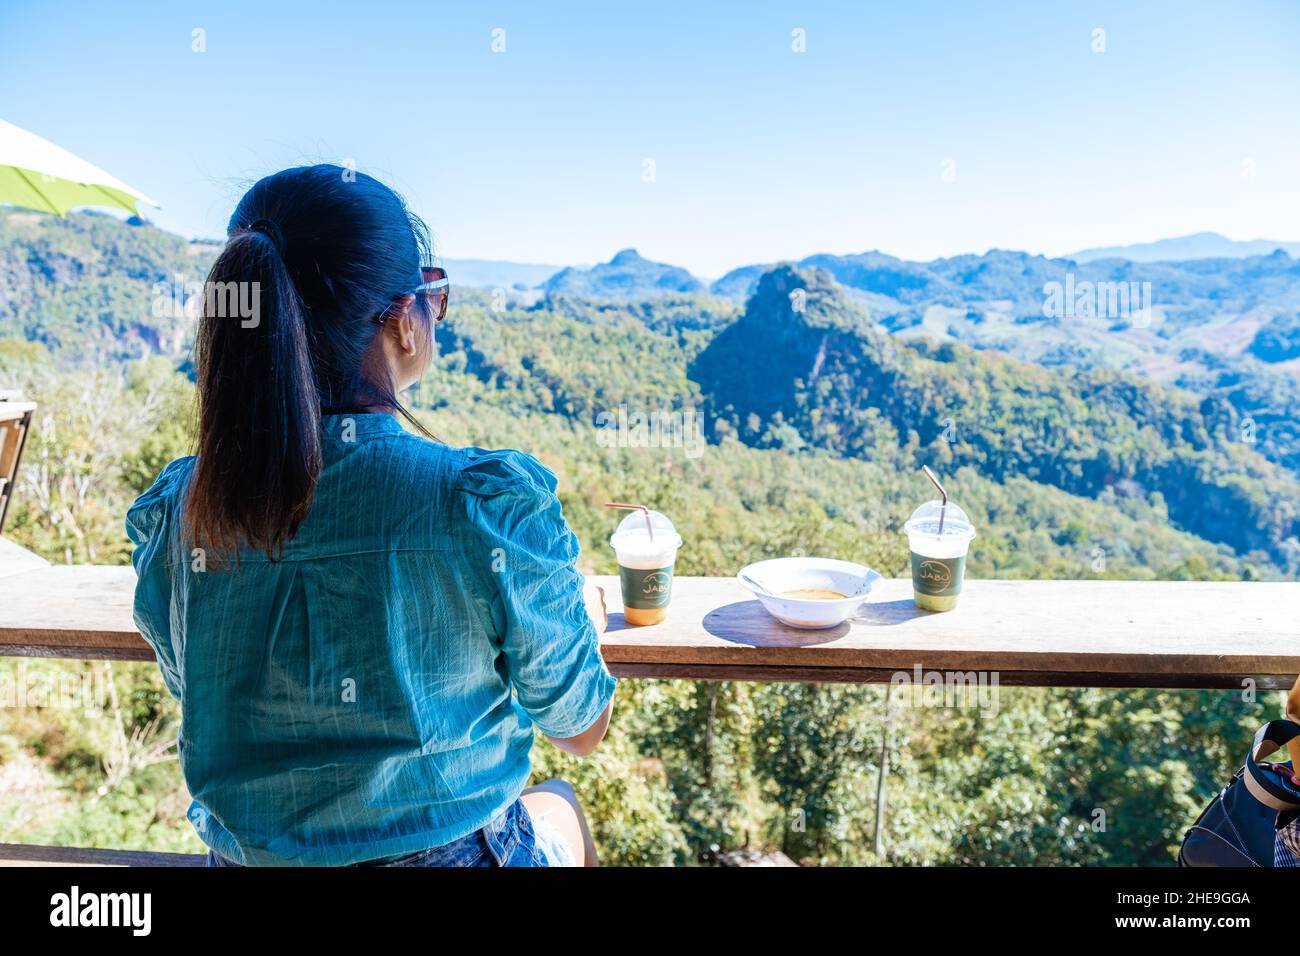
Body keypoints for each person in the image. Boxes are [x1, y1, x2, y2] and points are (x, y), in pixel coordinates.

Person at [127, 165, 616, 867]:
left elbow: (192, 679)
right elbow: (579, 727)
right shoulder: (478, 505)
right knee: (560, 801)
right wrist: (582, 618)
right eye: (433, 296)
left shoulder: (180, 513)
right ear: (401, 321)